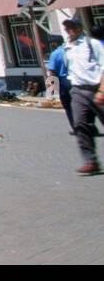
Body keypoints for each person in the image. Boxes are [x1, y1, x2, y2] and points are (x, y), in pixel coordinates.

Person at [62, 20, 104, 175]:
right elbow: (51, 72)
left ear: (80, 28)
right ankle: (90, 161)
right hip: (76, 89)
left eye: (72, 27)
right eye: (67, 28)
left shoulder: (92, 44)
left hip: (96, 88)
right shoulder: (66, 48)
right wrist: (52, 92)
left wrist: (102, 90)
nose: (69, 31)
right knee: (80, 125)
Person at [46, 39, 75, 133]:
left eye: (52, 43)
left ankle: (76, 127)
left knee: (68, 105)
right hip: (76, 79)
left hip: (64, 80)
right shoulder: (72, 50)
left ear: (55, 43)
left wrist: (52, 90)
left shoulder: (55, 54)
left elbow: (52, 71)